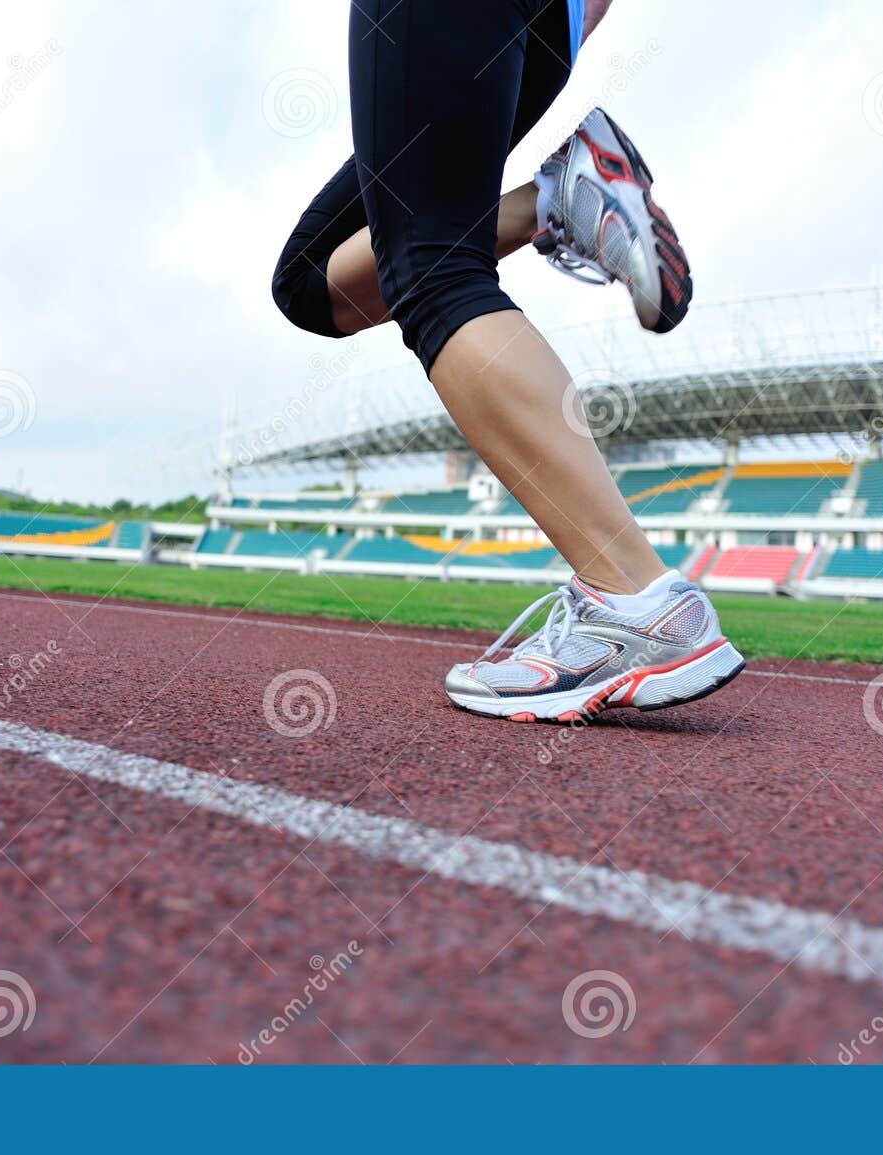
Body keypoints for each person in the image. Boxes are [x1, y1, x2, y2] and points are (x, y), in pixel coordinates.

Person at [271, 0, 744, 721]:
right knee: (312, 282)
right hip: (545, 28)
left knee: (434, 273)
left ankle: (637, 604)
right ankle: (559, 199)